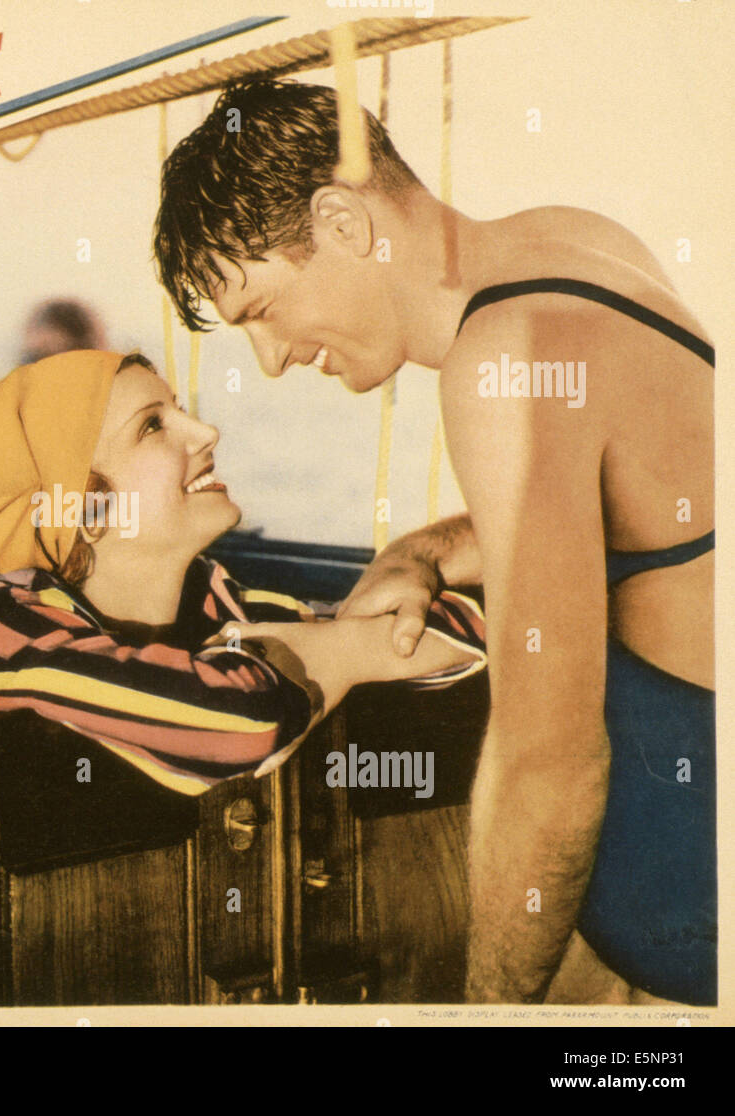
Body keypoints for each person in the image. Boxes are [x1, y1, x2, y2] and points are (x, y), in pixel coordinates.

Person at [153, 80, 714, 1004]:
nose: (272, 359)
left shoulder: (502, 361)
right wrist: (421, 554)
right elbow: (645, 508)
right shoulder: (575, 242)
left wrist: (490, 1016)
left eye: (259, 310)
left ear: (340, 222)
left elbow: (552, 765)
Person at [0, 350, 486, 796]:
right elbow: (242, 723)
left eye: (179, 410)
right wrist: (348, 652)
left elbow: (481, 625)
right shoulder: (6, 630)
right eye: (153, 426)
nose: (207, 432)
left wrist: (324, 652)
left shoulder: (223, 606)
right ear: (82, 510)